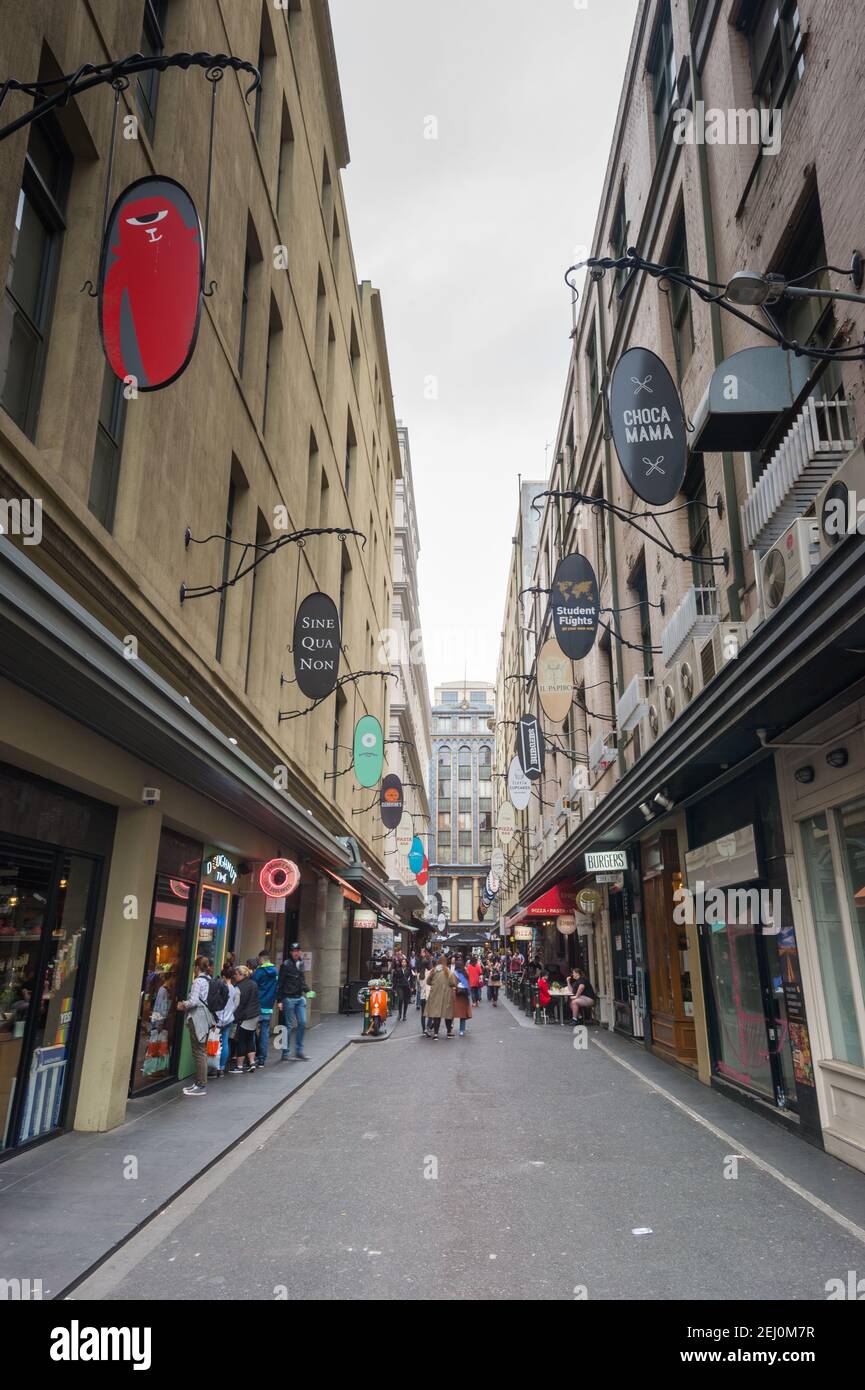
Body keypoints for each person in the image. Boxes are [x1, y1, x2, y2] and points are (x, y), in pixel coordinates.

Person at [177, 956, 214, 1096]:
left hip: (197, 1017)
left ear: (197, 967)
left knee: (199, 1051)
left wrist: (183, 1005)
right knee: (201, 1050)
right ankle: (199, 1082)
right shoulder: (210, 980)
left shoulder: (198, 981)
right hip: (206, 1018)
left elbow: (193, 1002)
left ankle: (201, 1085)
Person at [277, 942, 310, 1061]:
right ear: (291, 952)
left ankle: (299, 1050)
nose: (296, 953)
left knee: (302, 1022)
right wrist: (279, 1000)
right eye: (294, 951)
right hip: (289, 998)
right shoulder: (285, 965)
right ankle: (285, 1052)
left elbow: (302, 980)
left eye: (298, 950)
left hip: (299, 997)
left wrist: (307, 991)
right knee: (288, 1026)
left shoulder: (301, 963)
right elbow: (280, 983)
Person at [230, 966, 261, 1073]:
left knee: (241, 1041)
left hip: (245, 1017)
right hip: (255, 1015)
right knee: (250, 1038)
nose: (235, 976)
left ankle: (239, 1066)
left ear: (242, 975)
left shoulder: (238, 987)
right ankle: (252, 1063)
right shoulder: (254, 984)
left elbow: (236, 1005)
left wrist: (232, 1015)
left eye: (236, 974)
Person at [252, 950, 279, 1067]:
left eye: (258, 959)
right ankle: (262, 1059)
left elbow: (252, 986)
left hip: (257, 1005)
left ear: (261, 959)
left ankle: (252, 1057)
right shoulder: (275, 971)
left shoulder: (259, 972)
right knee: (264, 1032)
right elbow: (277, 988)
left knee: (251, 1030)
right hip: (268, 1006)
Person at [214, 963, 240, 1078]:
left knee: (215, 1043)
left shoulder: (221, 988)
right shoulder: (235, 990)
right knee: (224, 1042)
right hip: (229, 1019)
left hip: (219, 1019)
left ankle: (214, 1067)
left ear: (224, 977)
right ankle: (222, 1067)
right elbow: (235, 1005)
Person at [424, 954, 456, 1038]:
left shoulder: (434, 970)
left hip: (435, 994)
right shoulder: (448, 971)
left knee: (436, 1014)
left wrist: (434, 985)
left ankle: (435, 1034)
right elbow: (453, 983)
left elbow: (428, 981)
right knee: (447, 1014)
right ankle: (449, 1032)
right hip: (446, 995)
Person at [452, 955, 473, 1037]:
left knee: (452, 1013)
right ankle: (462, 1030)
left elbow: (452, 984)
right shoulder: (466, 974)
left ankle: (450, 1028)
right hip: (464, 996)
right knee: (463, 1014)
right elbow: (468, 984)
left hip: (456, 995)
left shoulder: (454, 974)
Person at [392, 951, 413, 1022]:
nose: (403, 963)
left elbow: (411, 978)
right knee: (400, 999)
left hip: (406, 986)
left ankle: (404, 1015)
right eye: (402, 962)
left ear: (406, 963)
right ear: (401, 963)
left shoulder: (409, 969)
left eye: (405, 962)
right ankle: (400, 1014)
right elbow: (394, 979)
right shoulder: (398, 970)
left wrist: (412, 987)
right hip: (399, 986)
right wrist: (394, 987)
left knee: (406, 1001)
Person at [417, 961, 432, 1033]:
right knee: (430, 1013)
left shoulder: (419, 975)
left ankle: (424, 1030)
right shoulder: (429, 973)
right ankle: (428, 1027)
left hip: (422, 996)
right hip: (429, 995)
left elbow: (419, 984)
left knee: (423, 1014)